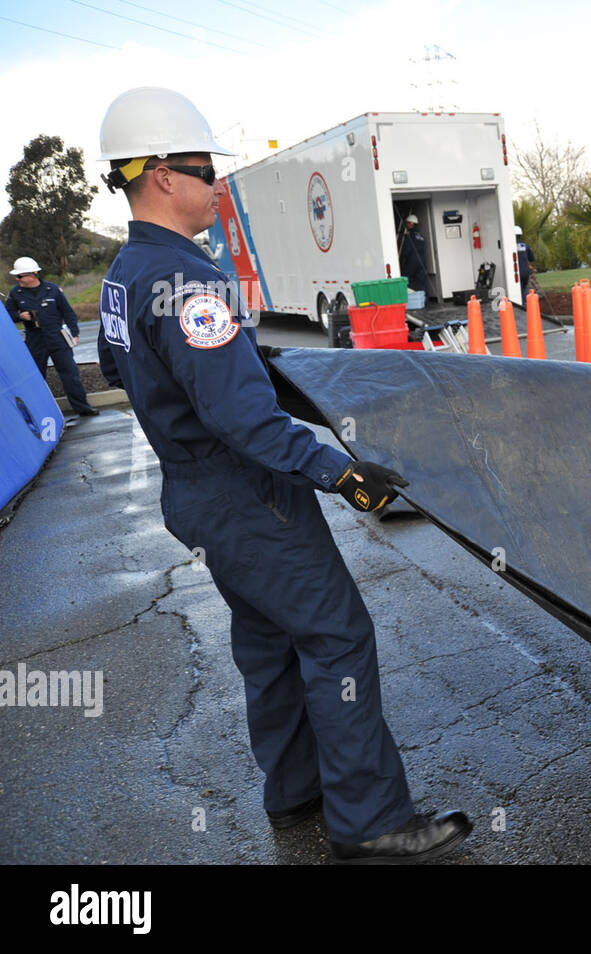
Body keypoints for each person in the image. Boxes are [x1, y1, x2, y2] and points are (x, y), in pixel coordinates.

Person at [95, 86, 470, 863]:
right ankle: (371, 821)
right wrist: (342, 473)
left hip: (196, 495)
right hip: (246, 494)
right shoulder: (188, 281)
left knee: (269, 641)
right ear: (163, 174)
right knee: (336, 635)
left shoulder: (124, 275)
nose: (216, 184)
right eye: (205, 170)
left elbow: (137, 371)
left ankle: (295, 790)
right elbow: (241, 418)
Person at [5, 257, 99, 419]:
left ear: (32, 275)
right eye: (17, 276)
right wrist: (20, 316)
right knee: (36, 378)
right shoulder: (15, 293)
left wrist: (74, 333)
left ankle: (83, 408)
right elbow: (7, 316)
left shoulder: (52, 289)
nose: (17, 279)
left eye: (20, 276)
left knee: (70, 374)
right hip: (35, 339)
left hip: (57, 338)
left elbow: (68, 313)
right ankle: (39, 413)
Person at [398, 213, 430, 296]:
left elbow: (407, 250)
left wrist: (403, 259)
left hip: (412, 261)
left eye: (407, 223)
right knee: (423, 282)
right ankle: (425, 300)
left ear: (410, 224)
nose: (406, 225)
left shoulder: (409, 235)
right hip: (422, 261)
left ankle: (409, 298)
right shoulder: (420, 236)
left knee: (406, 279)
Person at [514, 225, 535, 301]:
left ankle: (522, 305)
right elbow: (532, 259)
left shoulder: (511, 246)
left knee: (518, 289)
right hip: (526, 272)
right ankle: (526, 304)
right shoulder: (526, 246)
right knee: (523, 288)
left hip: (516, 272)